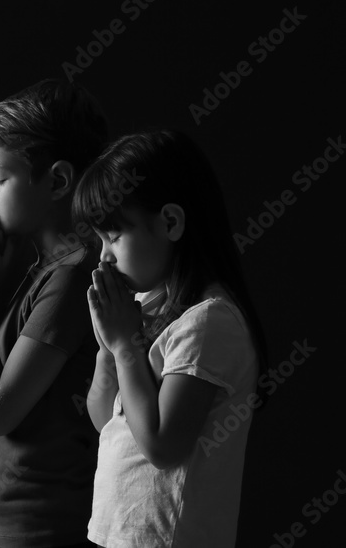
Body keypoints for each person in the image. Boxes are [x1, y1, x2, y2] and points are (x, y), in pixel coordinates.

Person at [75, 130, 268, 547]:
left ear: (170, 222)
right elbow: (107, 421)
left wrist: (127, 345)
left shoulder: (209, 323)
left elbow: (162, 446)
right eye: (99, 240)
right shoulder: (151, 309)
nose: (103, 256)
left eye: (114, 236)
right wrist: (108, 351)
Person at [0, 80, 108, 548]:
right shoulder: (40, 269)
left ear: (57, 180)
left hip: (41, 531)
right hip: (1, 527)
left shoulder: (73, 278)